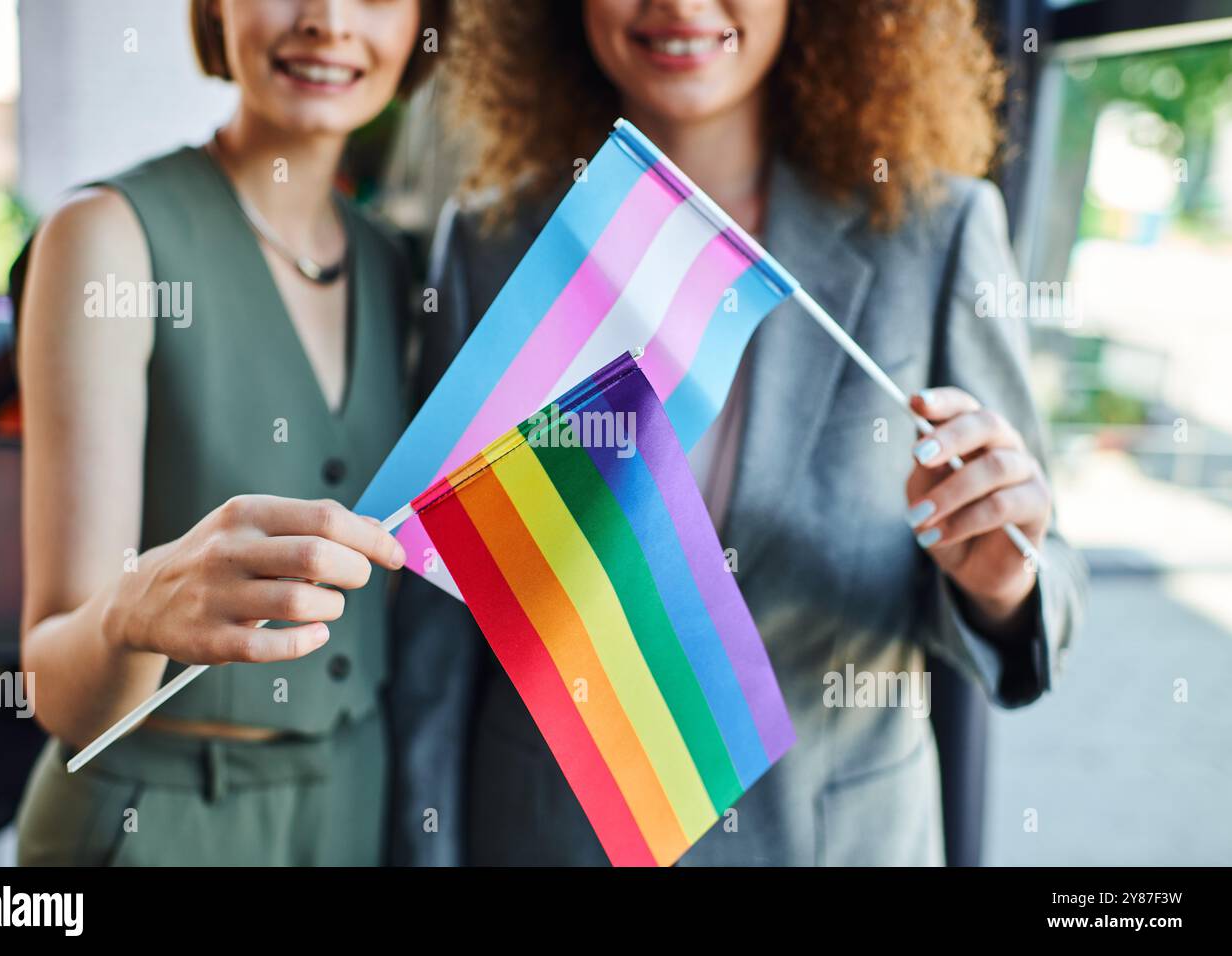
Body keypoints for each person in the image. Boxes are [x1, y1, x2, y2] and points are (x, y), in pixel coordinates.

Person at [388, 0, 1088, 865]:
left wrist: (998, 585)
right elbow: (436, 632)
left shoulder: (934, 232)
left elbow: (1048, 575)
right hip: (549, 836)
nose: (680, 6)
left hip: (833, 841)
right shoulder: (496, 243)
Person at [11, 0, 446, 866]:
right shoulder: (106, 239)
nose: (326, 20)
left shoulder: (399, 267)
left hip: (356, 804)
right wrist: (133, 614)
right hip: (154, 819)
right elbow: (51, 683)